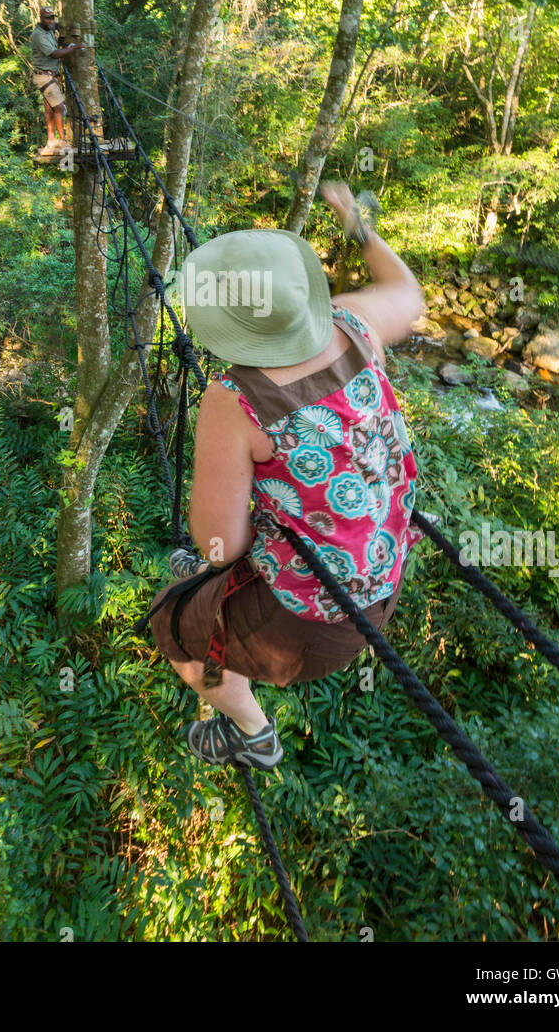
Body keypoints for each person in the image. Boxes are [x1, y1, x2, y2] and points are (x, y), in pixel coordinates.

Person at [148, 182, 426, 770]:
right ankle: (213, 591)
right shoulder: (353, 326)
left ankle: (252, 732)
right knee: (226, 560)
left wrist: (216, 554)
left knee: (170, 620)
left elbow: (220, 541)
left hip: (306, 626)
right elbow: (407, 292)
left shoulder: (235, 398)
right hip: (380, 581)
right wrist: (356, 221)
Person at [29, 6, 85, 157]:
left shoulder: (49, 28)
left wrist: (69, 28)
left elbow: (56, 24)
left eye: (52, 17)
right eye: (48, 18)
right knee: (59, 107)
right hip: (45, 77)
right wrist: (75, 48)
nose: (51, 20)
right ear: (40, 17)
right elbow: (54, 54)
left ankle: (51, 140)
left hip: (51, 76)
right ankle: (62, 141)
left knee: (50, 108)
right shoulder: (39, 35)